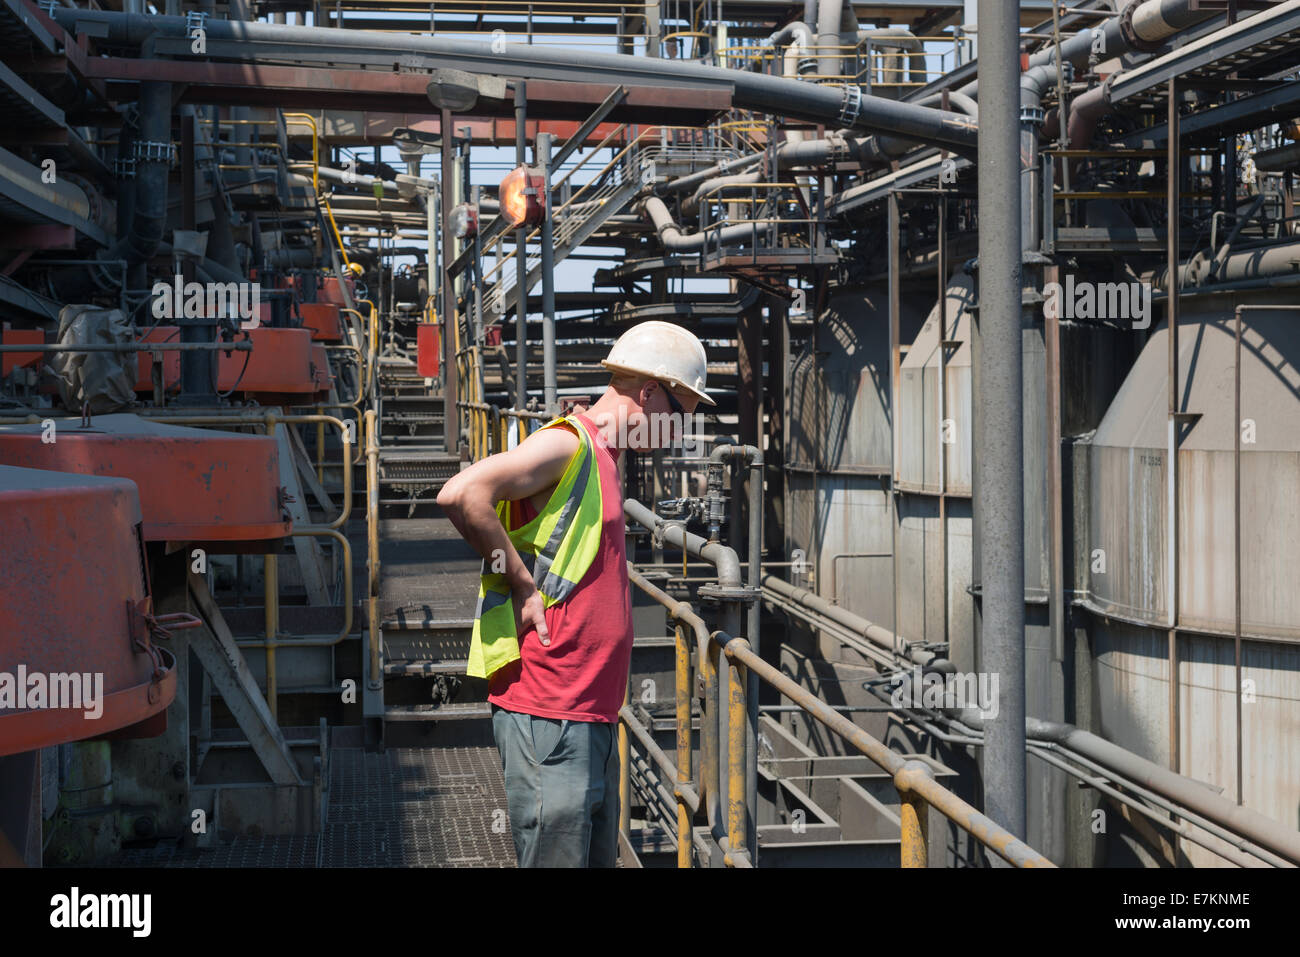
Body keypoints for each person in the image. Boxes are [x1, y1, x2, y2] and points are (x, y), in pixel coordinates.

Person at [436, 320, 715, 867]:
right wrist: (521, 585)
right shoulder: (569, 445)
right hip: (552, 709)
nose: (680, 431)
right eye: (680, 414)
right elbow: (462, 494)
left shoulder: (604, 457)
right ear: (648, 392)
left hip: (589, 710)